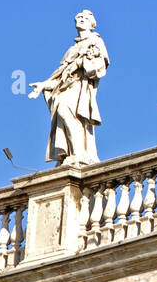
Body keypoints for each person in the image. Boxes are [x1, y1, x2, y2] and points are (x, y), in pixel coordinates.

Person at [29, 9, 109, 166]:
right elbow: (60, 77)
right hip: (65, 89)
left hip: (79, 88)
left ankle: (79, 153)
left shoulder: (95, 41)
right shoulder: (72, 50)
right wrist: (44, 85)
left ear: (92, 24)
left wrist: (81, 61)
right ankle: (71, 153)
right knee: (63, 115)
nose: (80, 20)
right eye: (78, 17)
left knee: (66, 112)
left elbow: (98, 68)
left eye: (84, 18)